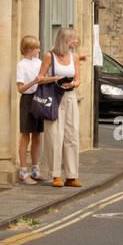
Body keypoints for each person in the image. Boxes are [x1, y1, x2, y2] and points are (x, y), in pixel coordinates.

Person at [38, 28, 85, 187]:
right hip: (54, 97)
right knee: (54, 135)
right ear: (65, 40)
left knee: (72, 135)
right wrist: (55, 78)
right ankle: (55, 174)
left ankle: (72, 175)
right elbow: (40, 79)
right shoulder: (49, 56)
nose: (76, 42)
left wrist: (73, 83)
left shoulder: (75, 57)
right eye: (73, 40)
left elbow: (78, 79)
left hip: (70, 97)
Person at [15, 35, 51, 184]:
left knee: (37, 136)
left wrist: (56, 78)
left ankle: (35, 171)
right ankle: (23, 172)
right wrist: (35, 81)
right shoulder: (21, 65)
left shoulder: (40, 62)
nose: (39, 49)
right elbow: (20, 89)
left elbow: (45, 79)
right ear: (29, 49)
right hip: (27, 100)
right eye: (36, 47)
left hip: (39, 98)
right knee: (25, 136)